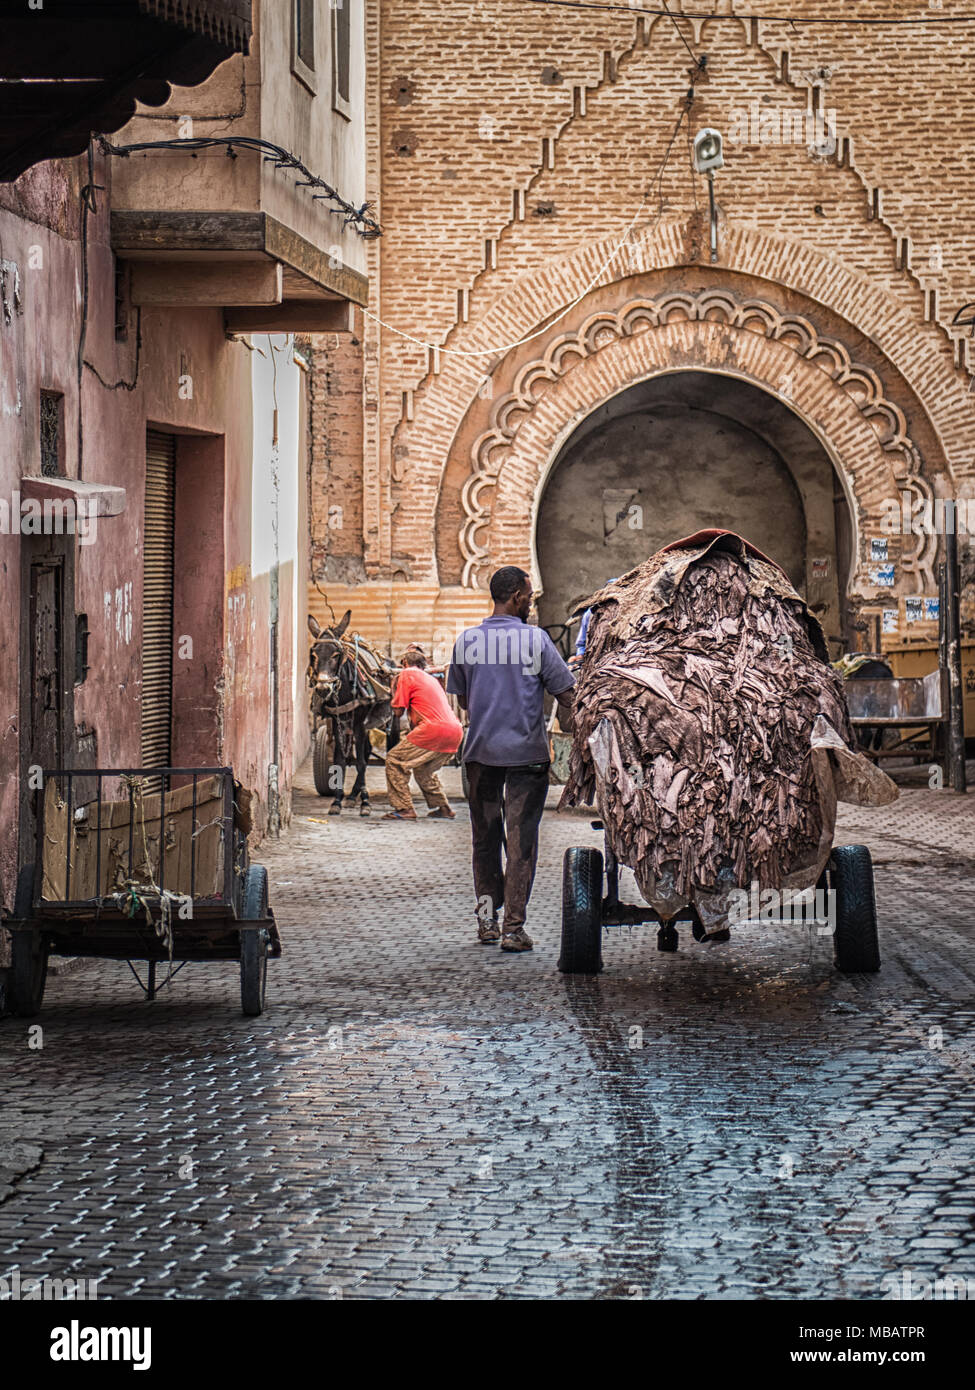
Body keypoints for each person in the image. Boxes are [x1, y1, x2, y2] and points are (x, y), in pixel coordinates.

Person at [447, 566, 575, 953]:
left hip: (480, 755)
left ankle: (486, 921)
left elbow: (465, 701)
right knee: (521, 844)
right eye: (530, 596)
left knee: (484, 840)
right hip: (527, 757)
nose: (531, 601)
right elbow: (567, 694)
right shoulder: (536, 641)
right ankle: (512, 929)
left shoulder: (466, 642)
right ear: (517, 596)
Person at [383, 648, 463, 821]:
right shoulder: (431, 679)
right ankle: (444, 808)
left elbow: (397, 711)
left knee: (394, 760)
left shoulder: (407, 673)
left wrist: (393, 690)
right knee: (424, 770)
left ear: (404, 663)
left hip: (432, 730)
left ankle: (404, 808)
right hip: (454, 732)